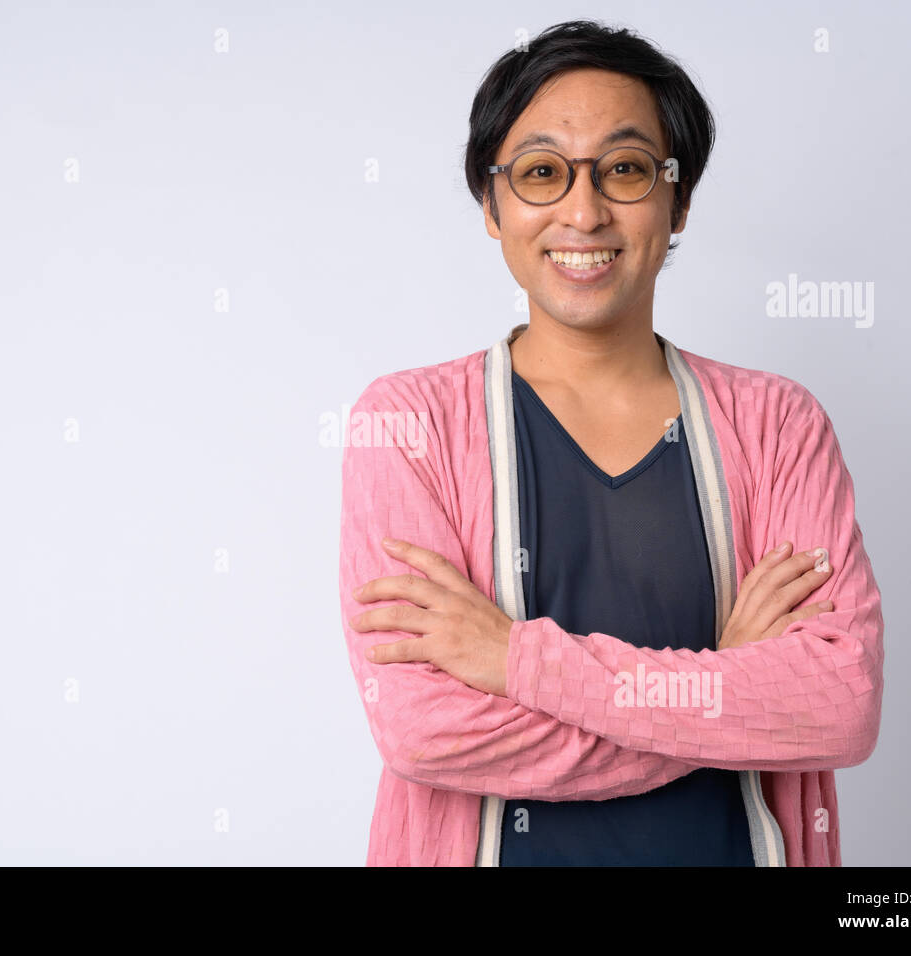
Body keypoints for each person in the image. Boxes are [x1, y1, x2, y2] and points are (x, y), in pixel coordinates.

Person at [338, 19, 883, 866]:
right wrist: (722, 686)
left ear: (680, 199)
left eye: (626, 169)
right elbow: (424, 732)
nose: (584, 212)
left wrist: (515, 660)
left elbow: (838, 704)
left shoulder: (780, 425)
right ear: (493, 204)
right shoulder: (410, 424)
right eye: (542, 173)